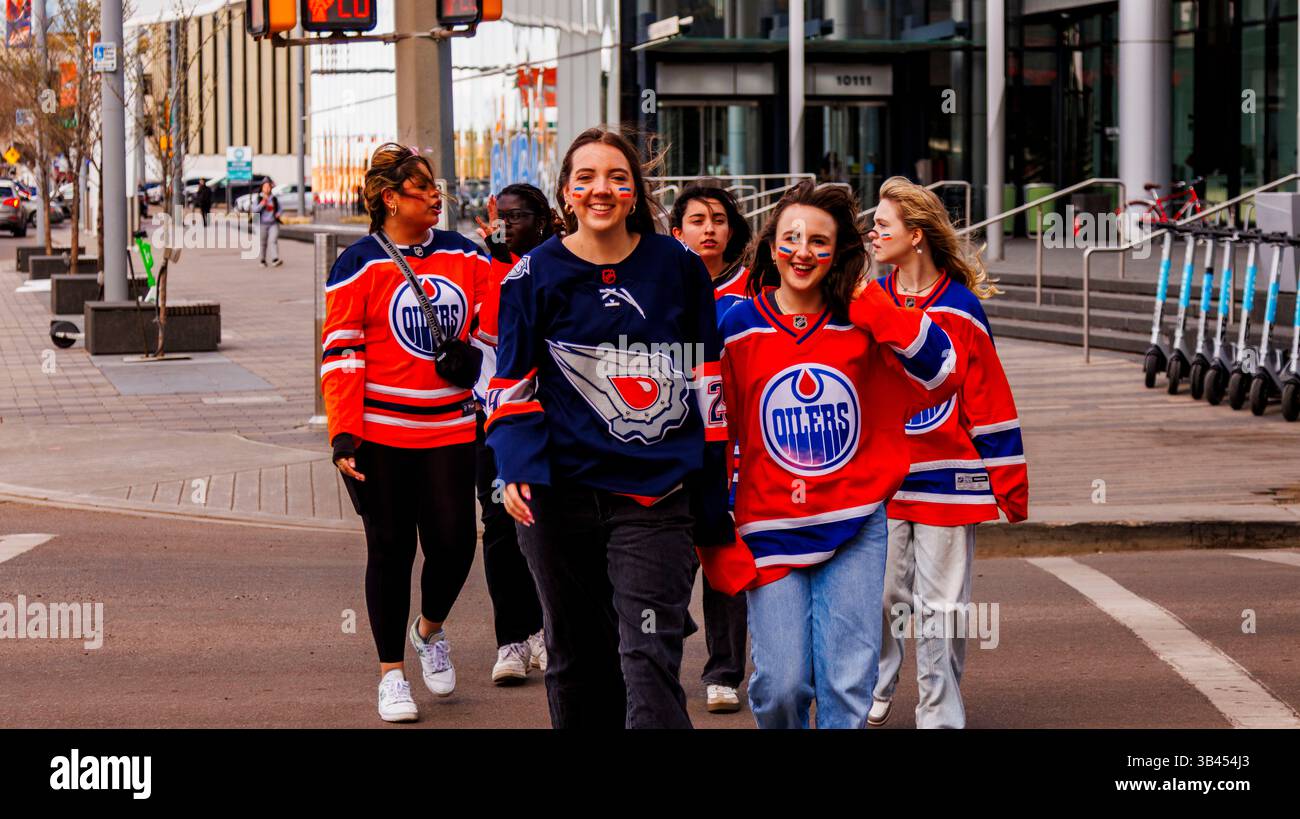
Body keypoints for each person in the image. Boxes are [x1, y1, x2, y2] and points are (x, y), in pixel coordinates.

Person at [486, 127, 733, 729]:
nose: (603, 189)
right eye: (587, 178)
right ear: (566, 193)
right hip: (558, 499)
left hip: (654, 498)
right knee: (574, 658)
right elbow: (510, 383)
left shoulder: (677, 268)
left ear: (635, 191)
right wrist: (515, 465)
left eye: (617, 177)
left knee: (647, 656)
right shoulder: (529, 276)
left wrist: (712, 498)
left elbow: (709, 381)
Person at [699, 180, 963, 729]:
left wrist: (877, 307)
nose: (803, 251)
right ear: (772, 247)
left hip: (855, 523)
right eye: (791, 238)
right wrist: (710, 524)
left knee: (848, 686)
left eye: (820, 241)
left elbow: (942, 372)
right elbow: (707, 427)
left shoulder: (861, 319)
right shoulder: (734, 325)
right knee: (781, 686)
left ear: (838, 251)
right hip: (767, 525)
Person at [322, 143, 490, 723]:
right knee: (389, 550)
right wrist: (344, 435)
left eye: (437, 188)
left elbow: (496, 331)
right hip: (381, 436)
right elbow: (342, 353)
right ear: (391, 199)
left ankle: (430, 630)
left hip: (450, 430)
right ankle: (391, 674)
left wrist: (477, 364)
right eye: (425, 189)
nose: (437, 197)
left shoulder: (470, 259)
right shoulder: (358, 263)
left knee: (455, 543)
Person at [864, 177, 1029, 729]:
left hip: (952, 480)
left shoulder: (961, 309)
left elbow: (988, 398)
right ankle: (876, 686)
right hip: (883, 481)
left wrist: (1008, 480)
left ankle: (938, 714)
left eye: (883, 225)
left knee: (943, 607)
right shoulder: (866, 302)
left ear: (916, 235)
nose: (872, 233)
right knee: (884, 597)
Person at [470, 183, 563, 685]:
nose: (506, 225)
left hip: (555, 420)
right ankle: (512, 638)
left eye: (517, 216)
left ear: (545, 219)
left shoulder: (559, 262)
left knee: (552, 529)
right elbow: (481, 330)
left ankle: (551, 633)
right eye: (498, 217)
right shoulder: (487, 267)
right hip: (496, 421)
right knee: (502, 527)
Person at [669, 183, 751, 714]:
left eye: (718, 219)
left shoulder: (755, 288)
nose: (709, 228)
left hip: (736, 452)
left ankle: (723, 673)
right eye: (697, 220)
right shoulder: (659, 288)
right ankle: (658, 663)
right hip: (673, 448)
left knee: (724, 562)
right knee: (666, 567)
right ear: (676, 232)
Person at [255, 180, 282, 267]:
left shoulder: (274, 198)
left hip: (273, 223)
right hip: (262, 224)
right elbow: (254, 210)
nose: (267, 189)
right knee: (263, 243)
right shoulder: (258, 199)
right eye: (265, 187)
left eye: (268, 187)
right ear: (262, 188)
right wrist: (262, 203)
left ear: (271, 188)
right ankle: (262, 260)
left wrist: (278, 214)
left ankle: (275, 259)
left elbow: (280, 209)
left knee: (273, 240)